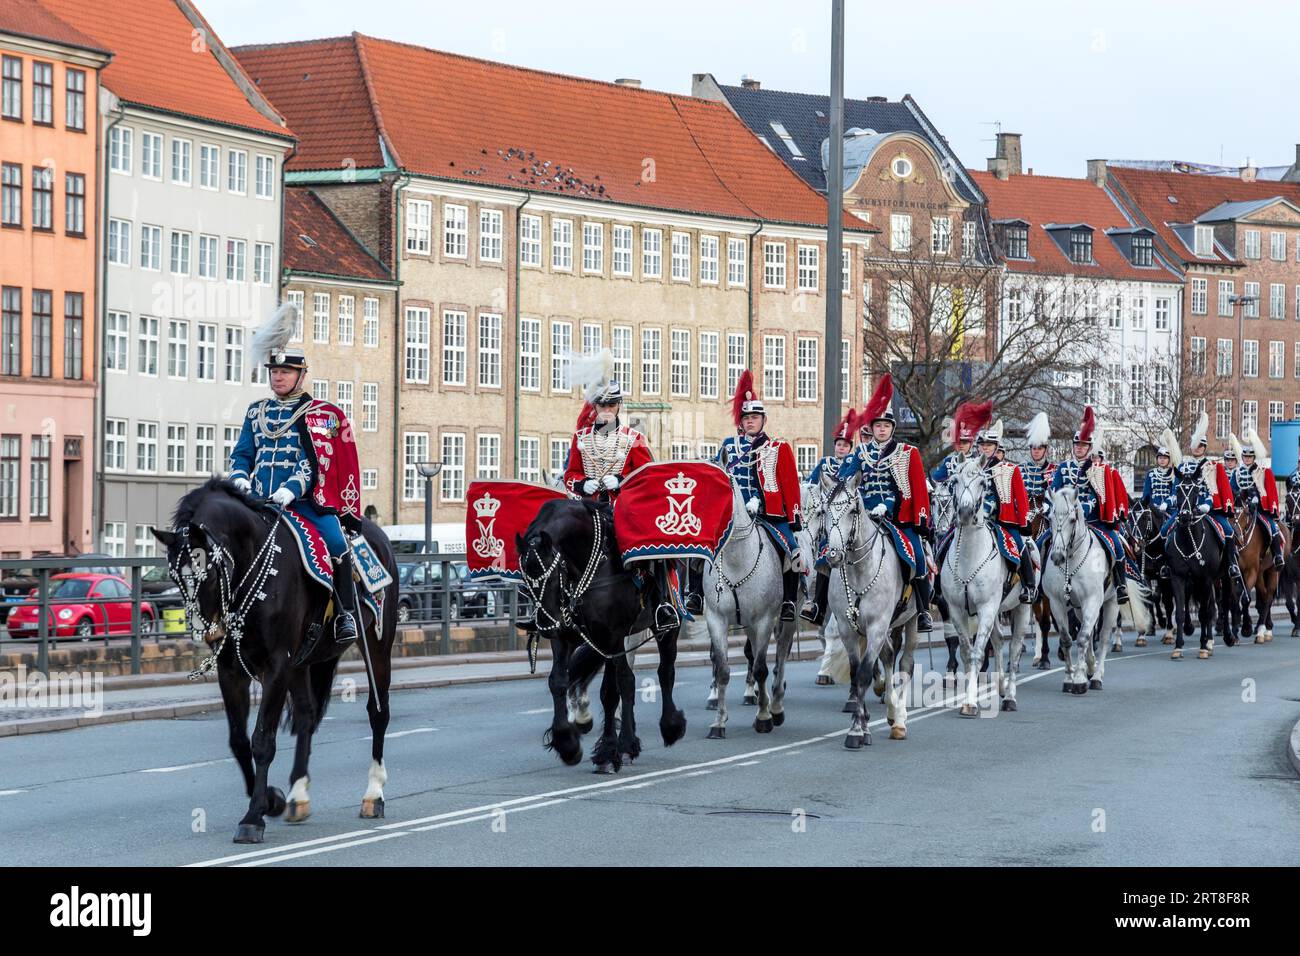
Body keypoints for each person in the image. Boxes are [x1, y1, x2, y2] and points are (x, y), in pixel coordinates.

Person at [228, 303, 364, 642]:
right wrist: (240, 479)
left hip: (304, 503)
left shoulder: (320, 414)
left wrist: (291, 489)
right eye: (274, 371)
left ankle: (344, 613)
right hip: (259, 502)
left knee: (335, 541)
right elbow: (243, 453)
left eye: (286, 372)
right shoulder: (256, 411)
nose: (278, 376)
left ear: (301, 376)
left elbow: (318, 461)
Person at [563, 366, 678, 632]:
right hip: (588, 508)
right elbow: (570, 473)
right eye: (602, 404)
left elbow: (648, 476)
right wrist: (582, 483)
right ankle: (558, 606)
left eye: (611, 404)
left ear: (618, 406)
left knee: (652, 546)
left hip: (622, 508)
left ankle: (662, 603)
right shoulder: (580, 438)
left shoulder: (634, 439)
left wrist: (622, 479)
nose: (606, 409)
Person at [684, 371, 804, 621]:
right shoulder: (729, 446)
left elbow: (790, 486)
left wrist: (792, 518)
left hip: (768, 515)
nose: (750, 421)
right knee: (699, 545)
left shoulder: (777, 448)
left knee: (792, 551)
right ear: (740, 421)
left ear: (763, 420)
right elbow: (719, 477)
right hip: (731, 513)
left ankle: (789, 601)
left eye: (755, 417)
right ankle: (695, 593)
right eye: (746, 417)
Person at [840, 374, 934, 631]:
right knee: (831, 550)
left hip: (897, 519)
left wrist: (913, 518)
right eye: (877, 425)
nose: (881, 429)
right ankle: (819, 605)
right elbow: (846, 480)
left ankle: (924, 610)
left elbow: (916, 491)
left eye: (886, 426)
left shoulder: (907, 453)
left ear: (892, 428)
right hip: (863, 516)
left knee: (916, 555)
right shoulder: (861, 453)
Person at [1045, 406, 1129, 604]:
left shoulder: (1097, 469)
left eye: (1083, 445)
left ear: (1090, 448)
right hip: (1065, 521)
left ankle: (1121, 584)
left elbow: (1097, 496)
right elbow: (1054, 490)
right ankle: (1038, 584)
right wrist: (1050, 506)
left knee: (1117, 545)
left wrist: (1085, 507)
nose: (1079, 448)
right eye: (1077, 445)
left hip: (1093, 521)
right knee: (1040, 543)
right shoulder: (1064, 468)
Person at [800, 409, 859, 625]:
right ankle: (816, 604)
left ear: (850, 448)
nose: (841, 448)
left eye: (845, 445)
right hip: (822, 517)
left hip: (843, 518)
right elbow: (811, 484)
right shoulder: (825, 464)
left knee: (829, 550)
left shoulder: (853, 464)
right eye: (839, 444)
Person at [976, 419, 1037, 603]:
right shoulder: (972, 468)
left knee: (1019, 545)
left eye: (990, 445)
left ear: (996, 447)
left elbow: (1022, 499)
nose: (985, 448)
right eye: (982, 445)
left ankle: (1029, 585)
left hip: (1003, 522)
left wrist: (1024, 522)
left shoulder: (1010, 470)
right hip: (975, 520)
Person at [1233, 428, 1284, 567]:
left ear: (1254, 458)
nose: (1247, 459)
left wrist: (1259, 500)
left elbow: (1270, 490)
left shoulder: (1262, 471)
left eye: (1250, 457)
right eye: (1245, 457)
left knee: (1271, 527)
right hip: (1242, 509)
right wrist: (1237, 496)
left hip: (1260, 509)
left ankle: (1278, 556)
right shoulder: (1237, 473)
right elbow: (1233, 489)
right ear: (1242, 457)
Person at [1022, 412, 1056, 505]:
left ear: (1045, 450)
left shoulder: (1054, 469)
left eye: (1040, 448)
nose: (1036, 451)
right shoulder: (1021, 469)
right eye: (1034, 448)